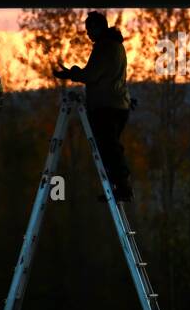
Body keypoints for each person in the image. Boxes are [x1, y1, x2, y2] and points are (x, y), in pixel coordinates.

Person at [53, 11, 134, 201]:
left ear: (99, 27)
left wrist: (73, 73)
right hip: (119, 105)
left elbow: (92, 74)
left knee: (109, 148)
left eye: (90, 29)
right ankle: (118, 187)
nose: (88, 34)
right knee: (110, 147)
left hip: (106, 106)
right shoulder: (117, 46)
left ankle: (122, 187)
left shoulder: (104, 47)